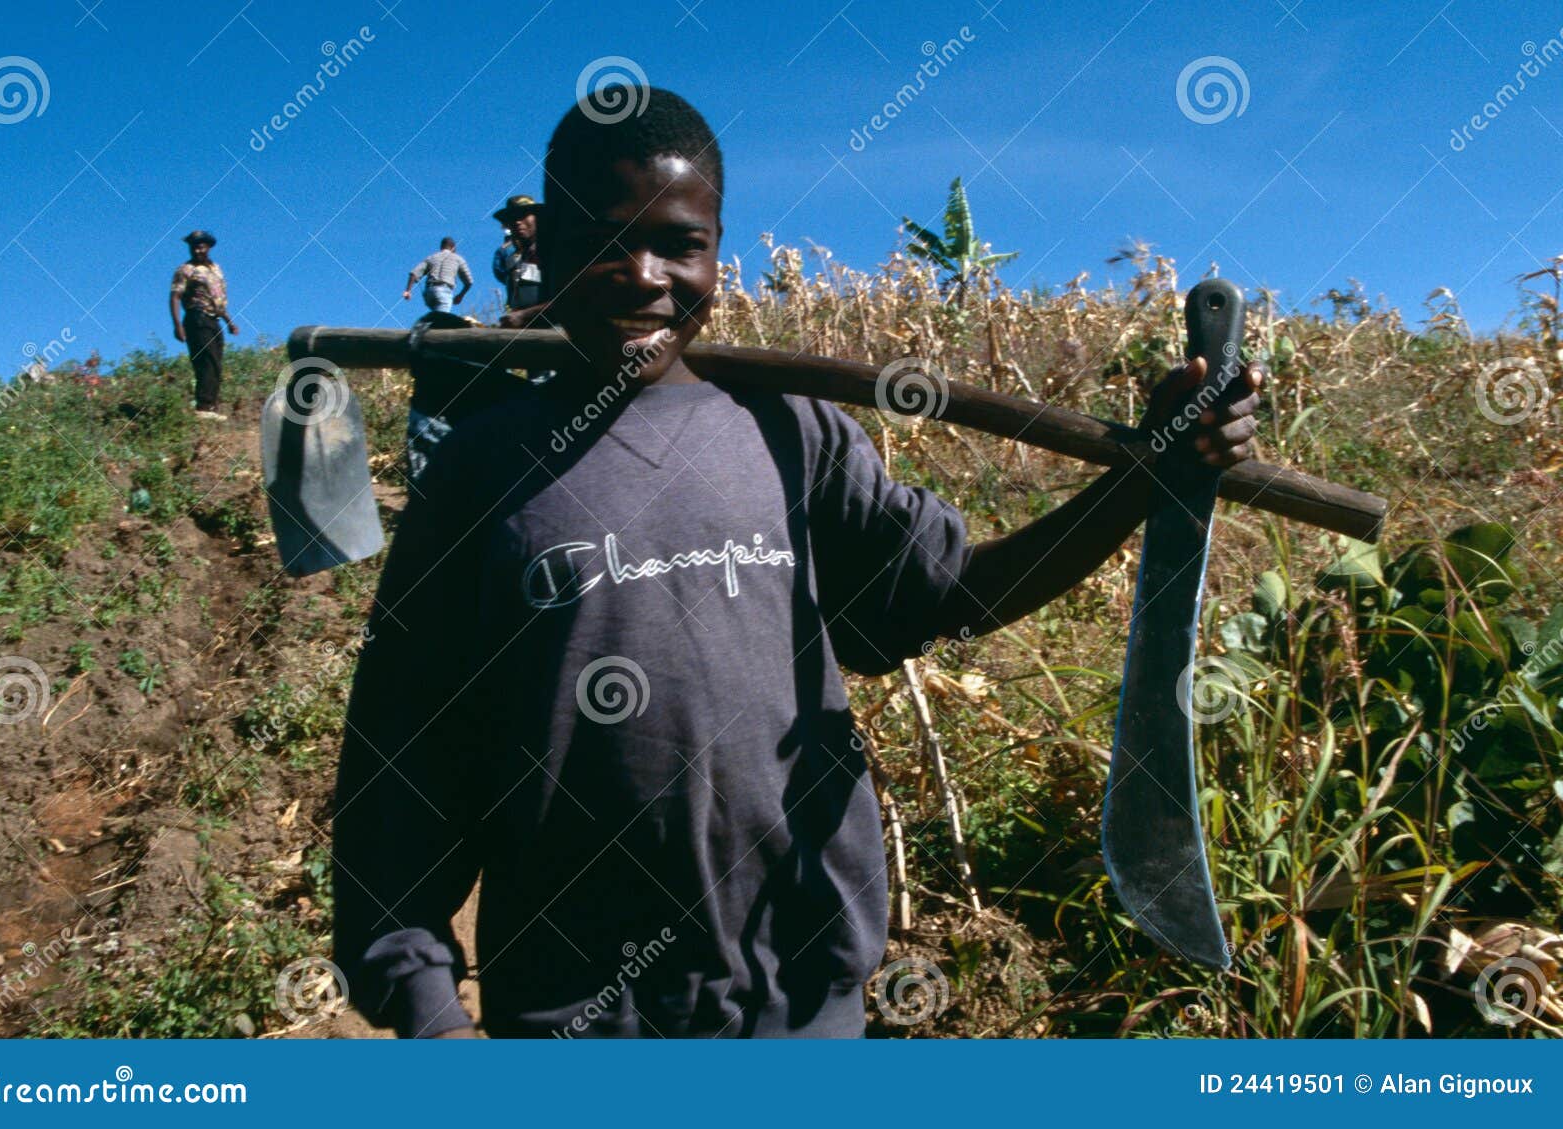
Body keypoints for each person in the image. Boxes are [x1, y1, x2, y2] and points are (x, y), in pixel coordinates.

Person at [332, 89, 1263, 1039]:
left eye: (681, 244)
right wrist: (428, 1011)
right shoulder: (483, 471)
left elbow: (956, 597)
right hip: (585, 1014)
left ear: (718, 251)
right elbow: (401, 761)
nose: (646, 275)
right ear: (552, 250)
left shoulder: (791, 434)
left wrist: (1145, 477)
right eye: (608, 241)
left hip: (807, 995)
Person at [169, 230, 238, 421]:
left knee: (216, 362)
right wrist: (177, 325)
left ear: (208, 247)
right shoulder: (186, 270)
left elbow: (217, 299)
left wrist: (229, 322)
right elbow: (175, 296)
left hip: (214, 319)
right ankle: (203, 406)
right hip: (196, 318)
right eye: (194, 247)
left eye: (201, 246)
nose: (198, 250)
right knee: (205, 361)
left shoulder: (215, 269)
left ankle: (212, 407)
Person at [491, 195, 546, 326]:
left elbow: (567, 298)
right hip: (520, 333)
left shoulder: (551, 253)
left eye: (523, 215)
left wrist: (524, 315)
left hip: (552, 333)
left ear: (537, 219)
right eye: (512, 218)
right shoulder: (511, 259)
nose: (517, 222)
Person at [403, 238, 473, 312]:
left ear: (441, 247)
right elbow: (469, 282)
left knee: (435, 318)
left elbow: (414, 273)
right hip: (444, 292)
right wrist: (460, 296)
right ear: (453, 248)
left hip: (429, 293)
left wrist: (408, 291)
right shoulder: (458, 259)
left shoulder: (431, 258)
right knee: (442, 320)